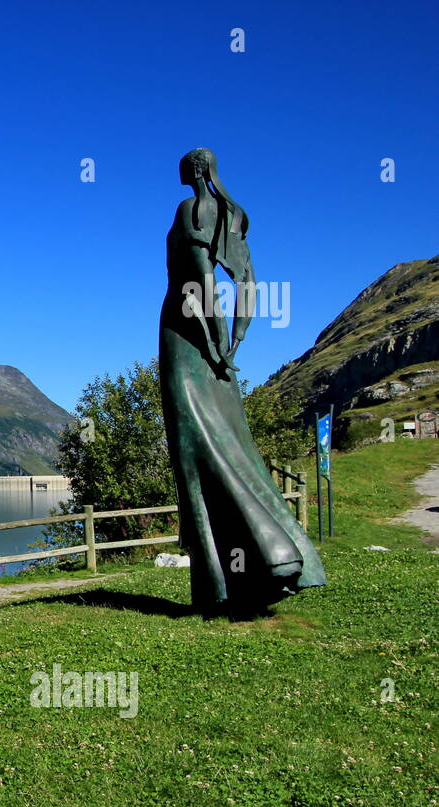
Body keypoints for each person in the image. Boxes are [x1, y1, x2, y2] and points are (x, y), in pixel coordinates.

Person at [159, 148, 325, 611]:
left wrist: (212, 340)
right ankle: (263, 563)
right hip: (215, 348)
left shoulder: (191, 210)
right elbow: (246, 283)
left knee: (196, 445)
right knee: (230, 442)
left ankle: (261, 559)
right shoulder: (232, 216)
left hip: (184, 333)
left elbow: (200, 281)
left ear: (193, 170)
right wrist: (234, 342)